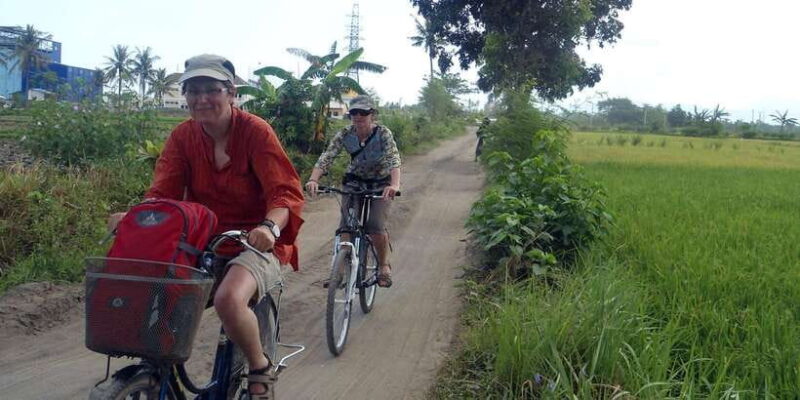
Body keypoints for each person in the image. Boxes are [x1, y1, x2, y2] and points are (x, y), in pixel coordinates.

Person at [108, 54, 304, 399]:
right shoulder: (182, 137)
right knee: (161, 291)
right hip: (201, 241)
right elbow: (161, 194)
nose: (201, 99)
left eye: (211, 89)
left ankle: (260, 367)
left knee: (229, 299)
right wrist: (135, 217)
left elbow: (284, 193)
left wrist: (269, 228)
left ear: (231, 93)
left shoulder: (256, 132)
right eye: (193, 90)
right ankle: (158, 371)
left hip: (253, 241)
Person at [304, 95, 401, 287]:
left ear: (372, 114)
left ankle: (383, 266)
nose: (358, 116)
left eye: (363, 112)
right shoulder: (345, 134)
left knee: (375, 225)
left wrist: (394, 185)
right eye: (354, 112)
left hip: (380, 184)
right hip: (354, 183)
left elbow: (393, 158)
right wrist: (314, 179)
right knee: (347, 226)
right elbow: (328, 156)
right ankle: (338, 272)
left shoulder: (383, 133)